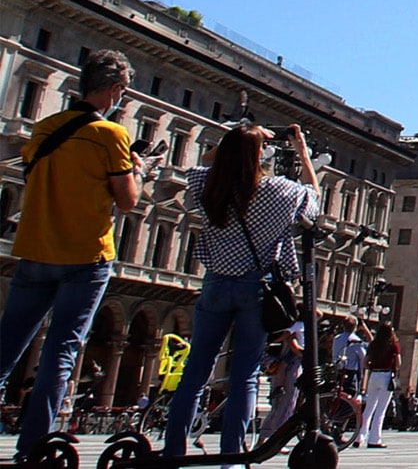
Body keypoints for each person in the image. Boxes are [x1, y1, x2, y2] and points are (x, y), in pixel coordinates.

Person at [0, 49, 141, 460]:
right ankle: (35, 445)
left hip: (35, 249)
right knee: (61, 348)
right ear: (115, 89)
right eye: (122, 91)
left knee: (7, 343)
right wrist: (138, 170)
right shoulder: (111, 135)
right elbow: (128, 201)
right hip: (85, 254)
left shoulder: (45, 129)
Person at [162, 121, 320, 455]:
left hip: (215, 282)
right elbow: (313, 204)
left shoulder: (207, 183)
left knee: (195, 372)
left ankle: (173, 450)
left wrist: (237, 137)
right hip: (256, 287)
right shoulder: (280, 190)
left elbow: (204, 162)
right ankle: (231, 457)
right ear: (261, 154)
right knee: (245, 376)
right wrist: (303, 153)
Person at [260, 320, 306, 439]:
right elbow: (293, 343)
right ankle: (277, 437)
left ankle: (264, 437)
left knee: (280, 405)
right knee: (286, 404)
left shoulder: (296, 326)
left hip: (286, 363)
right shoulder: (297, 327)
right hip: (292, 364)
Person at [360, 322, 400, 447]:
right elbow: (399, 363)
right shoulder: (394, 346)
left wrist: (373, 366)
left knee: (368, 408)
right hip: (386, 376)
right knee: (381, 410)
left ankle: (359, 437)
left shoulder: (374, 345)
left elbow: (365, 363)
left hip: (374, 375)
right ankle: (374, 439)